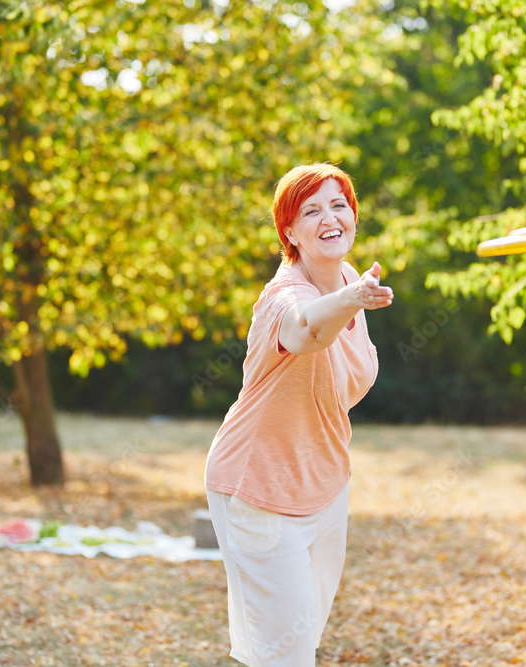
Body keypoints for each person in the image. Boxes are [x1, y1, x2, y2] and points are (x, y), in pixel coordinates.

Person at [204, 162, 393, 666]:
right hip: (258, 487)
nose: (329, 218)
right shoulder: (283, 297)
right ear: (289, 231)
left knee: (297, 640)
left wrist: (351, 292)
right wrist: (351, 299)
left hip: (324, 485)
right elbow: (306, 330)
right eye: (311, 210)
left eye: (338, 205)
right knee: (284, 655)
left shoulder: (348, 275)